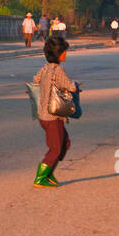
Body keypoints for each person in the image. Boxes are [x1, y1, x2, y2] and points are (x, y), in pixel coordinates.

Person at [32, 35, 79, 187]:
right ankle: (40, 178)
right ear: (58, 53)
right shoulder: (57, 69)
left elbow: (36, 80)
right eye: (64, 51)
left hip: (43, 115)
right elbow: (69, 85)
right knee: (56, 148)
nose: (66, 54)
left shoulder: (45, 67)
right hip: (53, 117)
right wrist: (75, 87)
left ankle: (49, 173)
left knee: (64, 143)